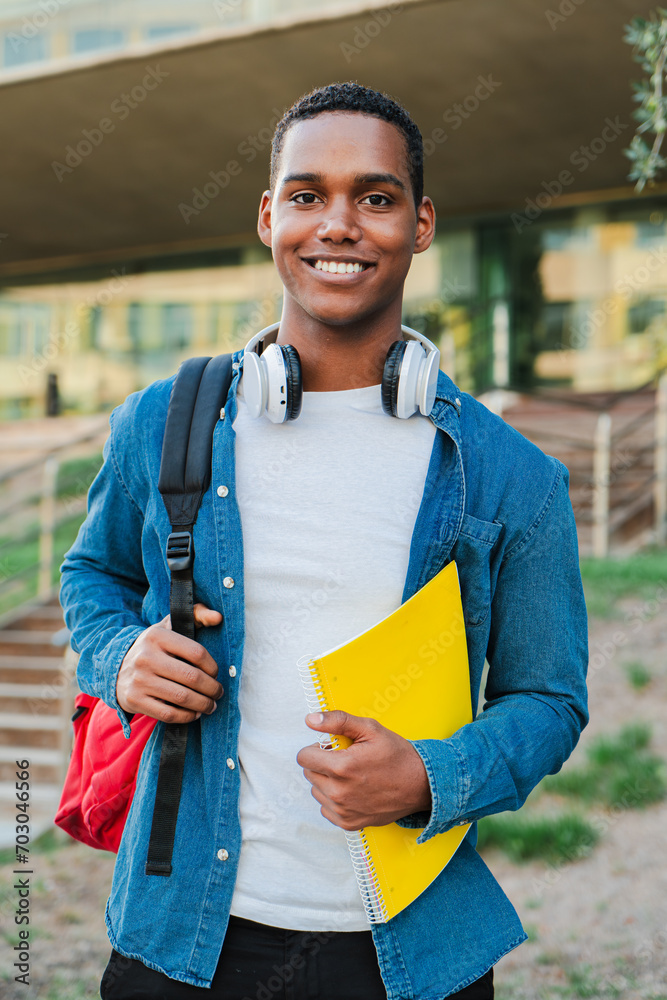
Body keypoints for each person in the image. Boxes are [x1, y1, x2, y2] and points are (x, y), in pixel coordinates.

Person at [59, 82, 588, 1000]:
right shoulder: (163, 424)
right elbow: (91, 574)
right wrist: (120, 657)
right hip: (180, 937)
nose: (337, 224)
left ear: (420, 224)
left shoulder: (514, 478)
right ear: (270, 216)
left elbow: (548, 698)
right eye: (307, 196)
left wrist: (432, 774)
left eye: (374, 198)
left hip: (406, 954)